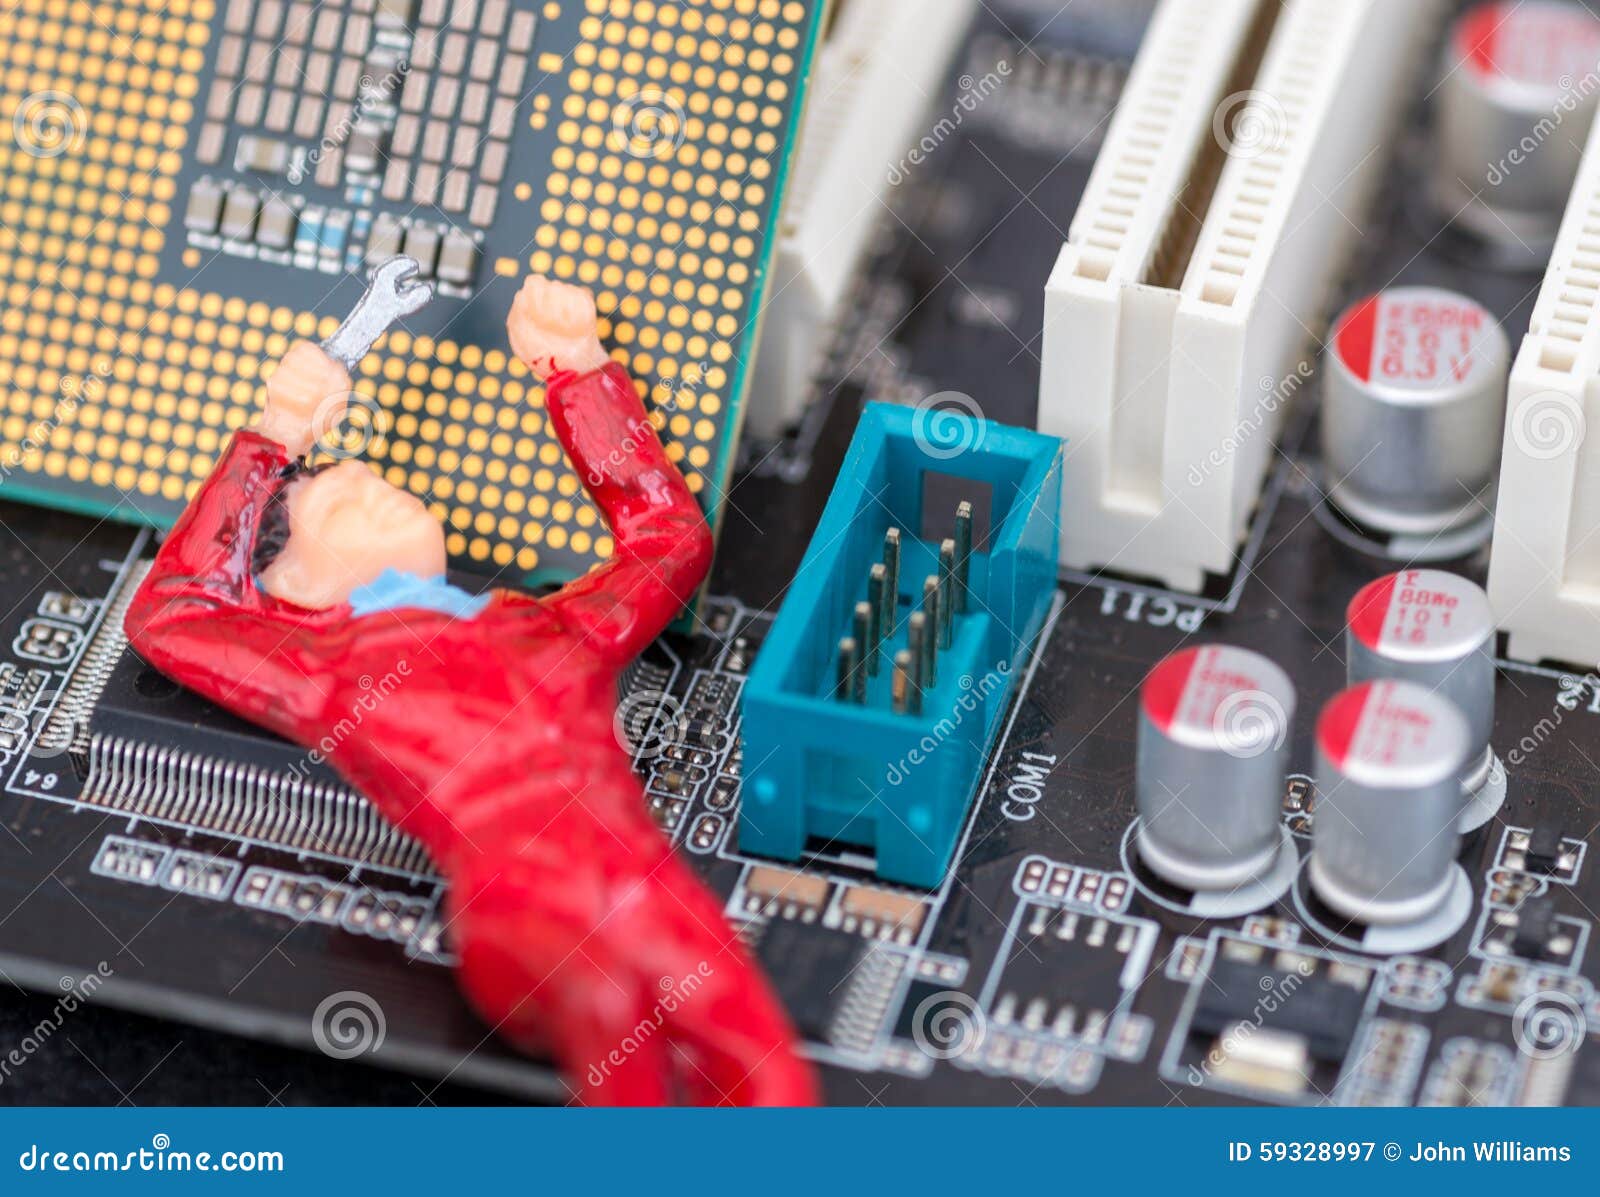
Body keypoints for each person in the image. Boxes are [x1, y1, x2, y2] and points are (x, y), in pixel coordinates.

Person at [124, 274, 817, 1106]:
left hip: (646, 880)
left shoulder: (549, 628)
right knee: (612, 1029)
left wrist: (575, 369)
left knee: (765, 1064)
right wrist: (273, 436)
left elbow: (665, 541)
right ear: (293, 589)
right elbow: (173, 610)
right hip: (523, 909)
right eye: (338, 496)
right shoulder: (330, 668)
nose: (371, 483)